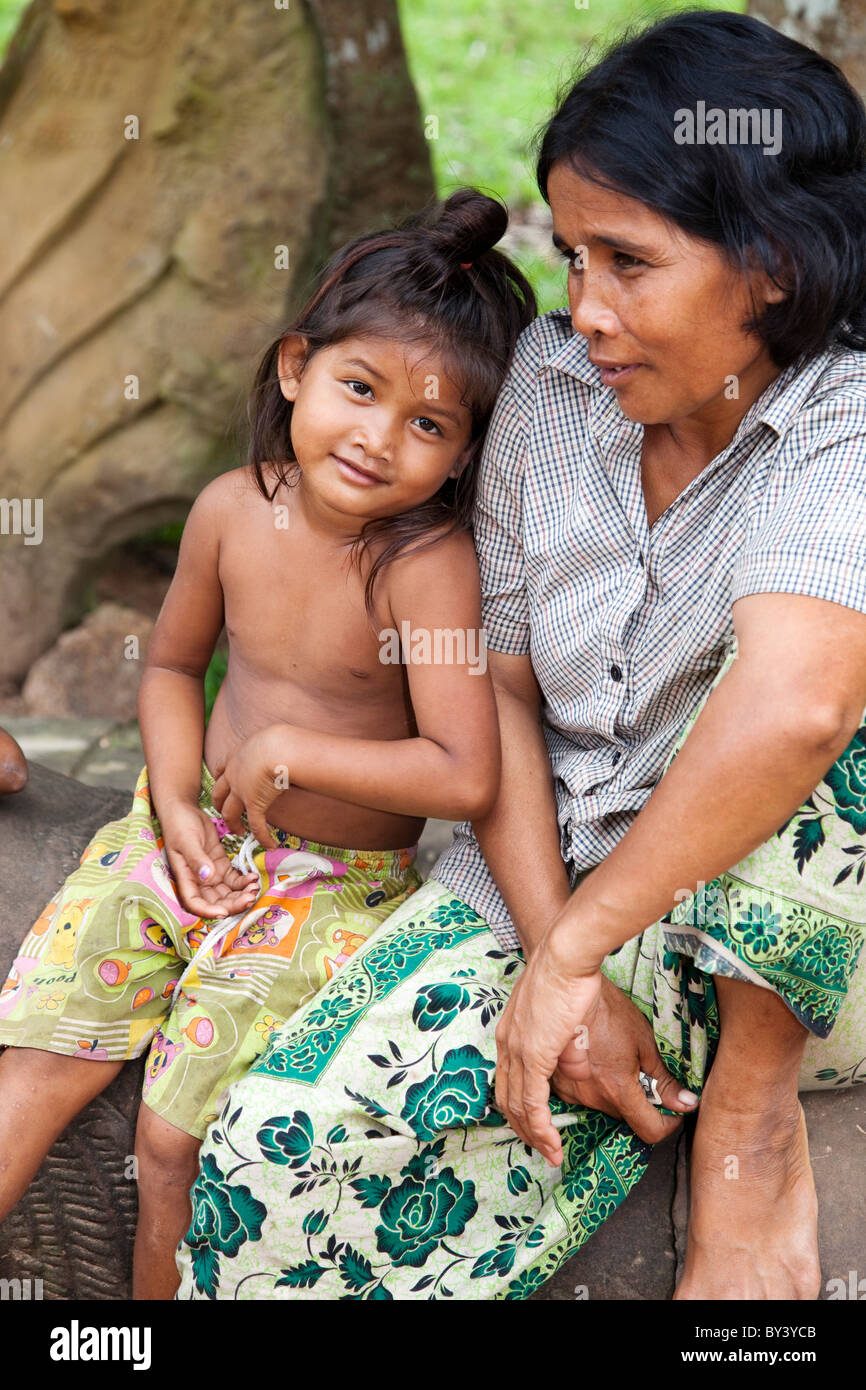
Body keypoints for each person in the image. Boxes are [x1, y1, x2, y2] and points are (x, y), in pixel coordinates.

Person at [175, 9, 866, 1301]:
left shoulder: (845, 419)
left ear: (768, 264)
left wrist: (566, 962)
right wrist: (560, 951)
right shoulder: (545, 398)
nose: (584, 310)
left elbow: (799, 707)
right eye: (571, 258)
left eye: (627, 262)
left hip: (788, 937)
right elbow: (493, 687)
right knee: (264, 1172)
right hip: (549, 889)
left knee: (825, 700)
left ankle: (752, 1122)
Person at [0, 187, 537, 1298]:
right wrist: (177, 800)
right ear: (295, 366)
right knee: (39, 1061)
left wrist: (296, 751)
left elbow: (466, 773)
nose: (378, 438)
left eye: (428, 424)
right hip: (181, 838)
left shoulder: (422, 565)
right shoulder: (230, 510)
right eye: (357, 388)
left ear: (465, 451)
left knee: (168, 1140)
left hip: (328, 886)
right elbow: (164, 668)